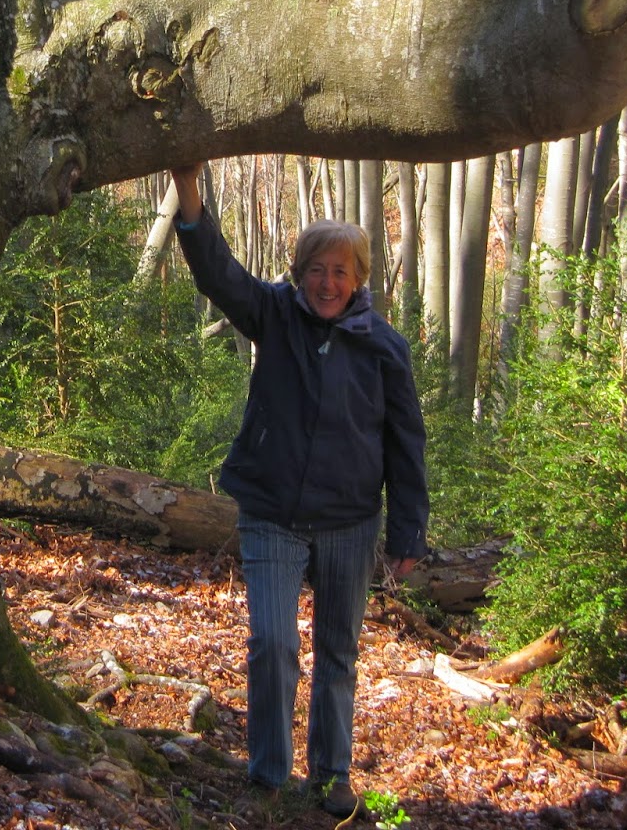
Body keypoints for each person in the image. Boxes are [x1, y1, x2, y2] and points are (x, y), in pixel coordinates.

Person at [169, 162, 428, 819]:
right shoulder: (275, 315)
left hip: (349, 522)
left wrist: (407, 534)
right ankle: (267, 776)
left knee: (338, 651)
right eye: (317, 268)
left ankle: (331, 776)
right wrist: (190, 188)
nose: (327, 282)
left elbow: (405, 447)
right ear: (300, 270)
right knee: (273, 643)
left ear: (360, 278)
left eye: (341, 271)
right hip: (273, 513)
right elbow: (217, 273)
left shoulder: (383, 349)